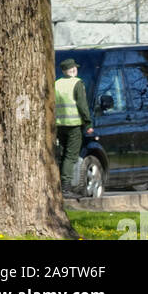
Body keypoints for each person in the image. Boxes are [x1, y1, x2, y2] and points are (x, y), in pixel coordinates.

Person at [55, 57, 94, 194]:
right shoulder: (77, 83)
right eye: (75, 67)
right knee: (70, 156)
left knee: (62, 154)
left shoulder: (57, 84)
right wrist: (88, 122)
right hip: (74, 125)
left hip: (59, 125)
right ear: (72, 70)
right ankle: (65, 187)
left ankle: (58, 183)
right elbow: (82, 105)